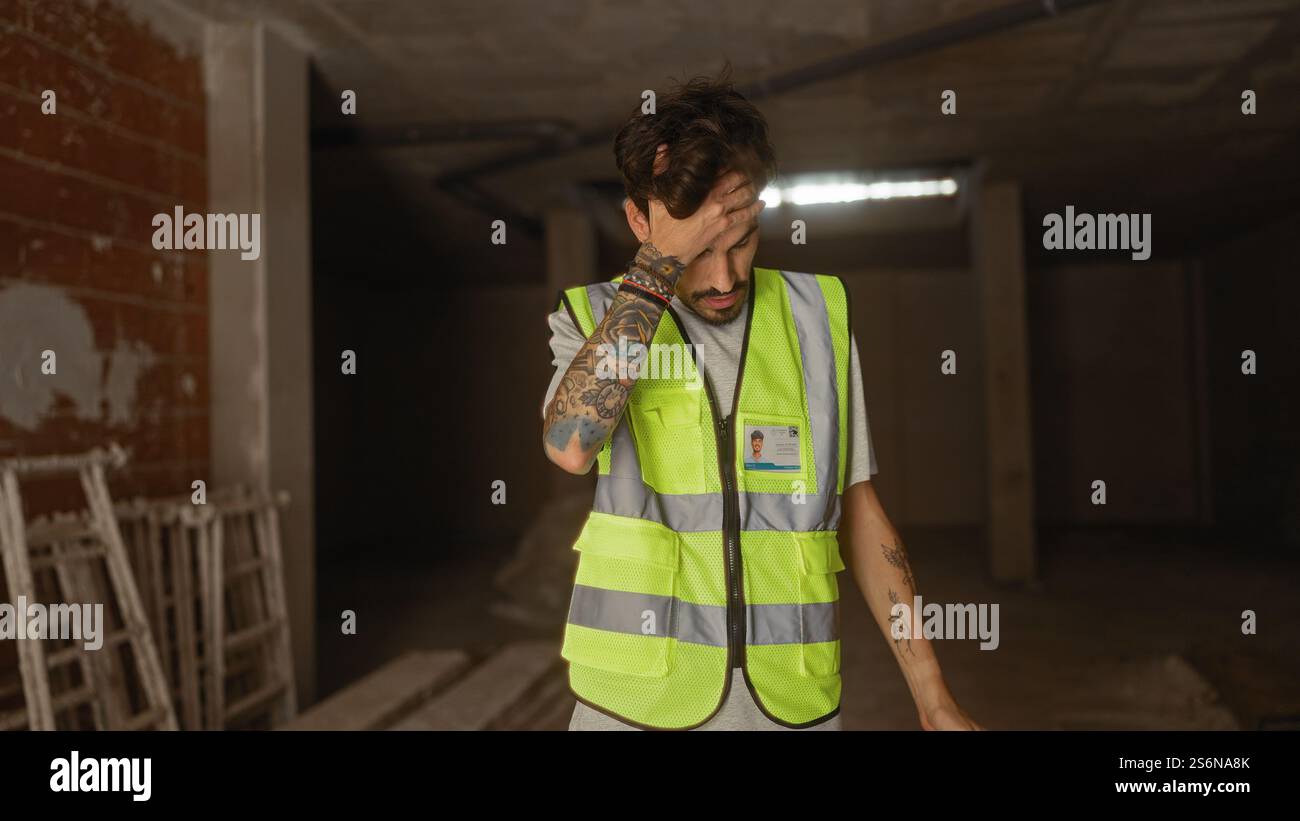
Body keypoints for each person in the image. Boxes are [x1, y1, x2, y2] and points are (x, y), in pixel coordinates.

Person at [541, 72, 980, 731]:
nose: (723, 278)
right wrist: (660, 265)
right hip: (633, 707)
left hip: (790, 707)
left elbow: (859, 514)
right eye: (699, 251)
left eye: (740, 241)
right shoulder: (596, 317)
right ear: (640, 220)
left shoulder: (816, 316)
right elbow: (570, 444)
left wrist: (932, 694)